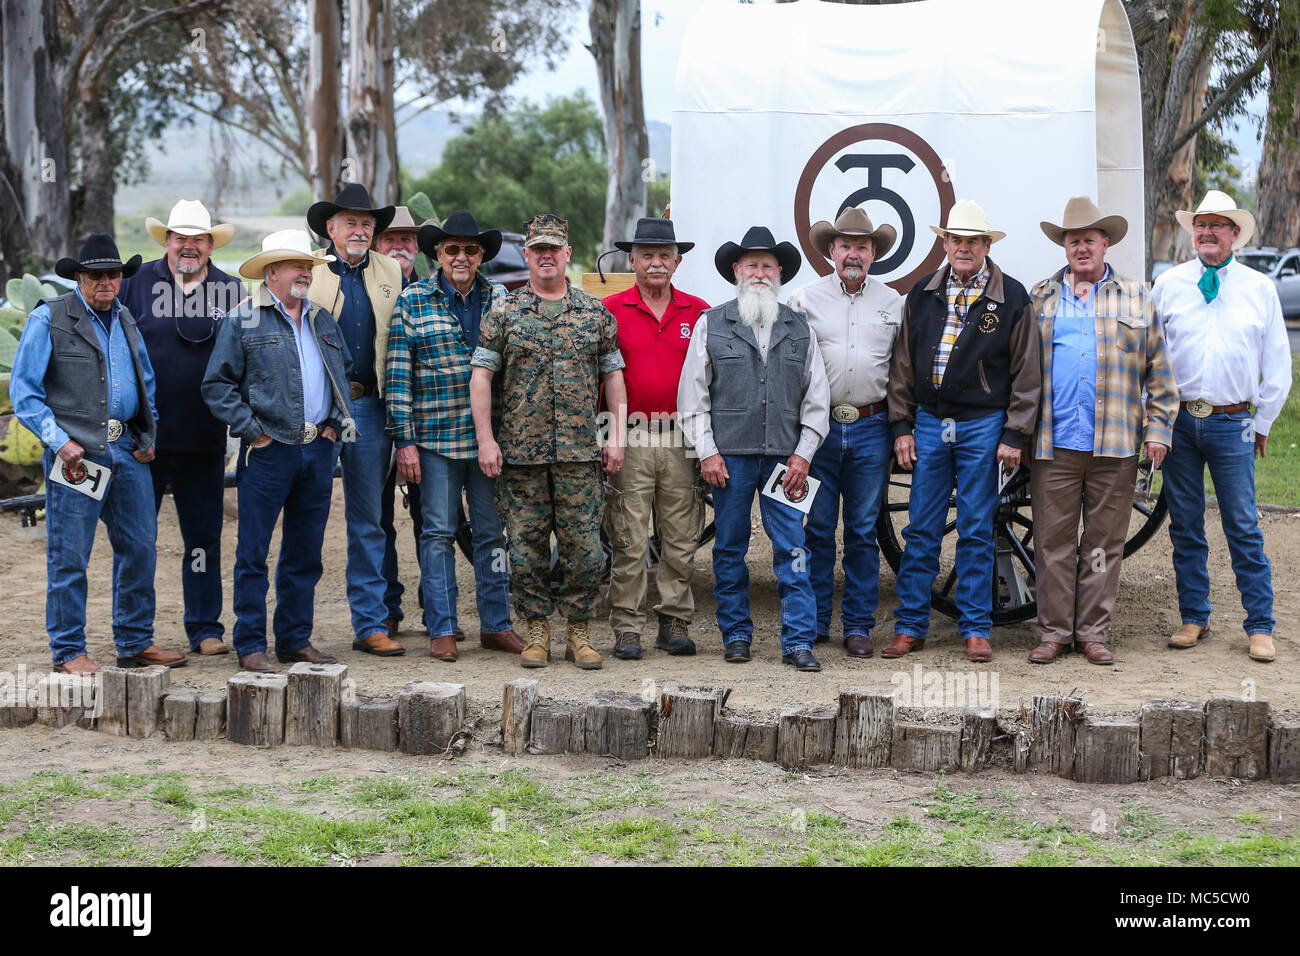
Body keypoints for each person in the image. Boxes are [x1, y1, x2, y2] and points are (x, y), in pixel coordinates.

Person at [9, 234, 185, 674]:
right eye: (96, 275)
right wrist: (59, 441)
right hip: (76, 454)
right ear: (80, 278)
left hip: (126, 448)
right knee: (70, 554)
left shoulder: (125, 318)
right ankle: (69, 650)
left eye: (113, 274)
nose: (106, 281)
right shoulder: (49, 318)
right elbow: (25, 393)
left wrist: (148, 435)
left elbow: (145, 380)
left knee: (141, 547)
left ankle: (134, 641)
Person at [469, 214, 627, 670]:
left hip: (580, 455)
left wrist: (616, 437)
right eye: (538, 248)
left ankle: (579, 631)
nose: (545, 255)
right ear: (526, 254)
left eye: (553, 248)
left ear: (567, 254)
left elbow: (613, 377)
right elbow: (482, 378)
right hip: (520, 455)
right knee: (524, 548)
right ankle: (537, 629)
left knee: (585, 550)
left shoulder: (593, 312)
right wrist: (486, 440)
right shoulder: (504, 312)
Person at [885, 200, 1040, 663]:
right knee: (921, 527)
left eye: (973, 240)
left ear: (987, 245)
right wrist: (902, 424)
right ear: (945, 243)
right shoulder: (922, 295)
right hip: (930, 423)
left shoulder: (1012, 298)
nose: (964, 248)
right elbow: (903, 366)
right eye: (956, 240)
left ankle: (976, 627)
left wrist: (1014, 434)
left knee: (975, 527)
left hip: (983, 425)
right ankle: (911, 625)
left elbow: (1026, 372)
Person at [1027, 197, 1178, 665]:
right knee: (1051, 543)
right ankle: (1053, 633)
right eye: (1074, 241)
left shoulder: (1136, 296)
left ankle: (1092, 632)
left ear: (1105, 243)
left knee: (1102, 545)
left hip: (1114, 443)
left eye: (1089, 240)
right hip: (1054, 444)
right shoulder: (1041, 298)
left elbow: (1160, 372)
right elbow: (1022, 370)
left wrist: (1158, 430)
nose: (1081, 248)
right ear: (1065, 246)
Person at [677, 226, 830, 671]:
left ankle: (799, 640)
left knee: (793, 548)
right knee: (729, 548)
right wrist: (707, 451)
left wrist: (803, 454)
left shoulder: (799, 327)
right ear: (736, 271)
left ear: (779, 271)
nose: (759, 272)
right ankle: (737, 635)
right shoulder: (712, 322)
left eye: (767, 265)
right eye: (751, 265)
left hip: (787, 459)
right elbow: (693, 396)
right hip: (730, 459)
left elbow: (816, 397)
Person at [201, 230, 354, 672]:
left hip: (317, 450)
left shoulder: (322, 318)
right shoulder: (244, 319)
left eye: (308, 265)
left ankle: (293, 639)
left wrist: (332, 426)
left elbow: (340, 374)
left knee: (305, 553)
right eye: (296, 265)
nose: (306, 271)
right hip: (269, 451)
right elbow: (217, 385)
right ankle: (250, 644)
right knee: (253, 552)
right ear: (272, 272)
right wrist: (254, 432)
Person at [1153, 190, 1292, 663]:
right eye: (1200, 224)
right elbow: (1152, 358)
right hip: (1178, 423)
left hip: (1233, 422)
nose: (1207, 232)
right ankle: (1194, 616)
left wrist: (1264, 421)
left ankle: (1260, 625)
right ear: (1193, 233)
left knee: (1242, 524)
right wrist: (1153, 420)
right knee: (1186, 525)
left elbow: (1277, 363)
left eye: (1217, 224)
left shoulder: (1258, 288)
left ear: (1234, 233)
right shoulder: (1169, 284)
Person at [386, 211, 525, 661]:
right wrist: (403, 440)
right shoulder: (413, 301)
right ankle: (442, 627)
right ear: (437, 255)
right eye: (451, 250)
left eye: (469, 249)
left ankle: (496, 623)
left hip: (490, 440)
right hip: (434, 438)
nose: (461, 257)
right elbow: (399, 376)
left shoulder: (501, 298)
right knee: (438, 533)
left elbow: (515, 371)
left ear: (481, 255)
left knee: (491, 534)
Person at [118, 199, 244, 657]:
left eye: (198, 239)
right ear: (166, 242)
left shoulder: (232, 292)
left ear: (210, 245)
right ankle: (135, 634)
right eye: (180, 238)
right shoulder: (133, 284)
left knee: (203, 538)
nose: (188, 246)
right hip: (141, 439)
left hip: (203, 437)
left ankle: (204, 628)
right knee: (137, 540)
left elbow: (242, 361)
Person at [788, 207, 903, 658]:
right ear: (830, 251)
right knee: (816, 529)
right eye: (845, 246)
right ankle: (816, 621)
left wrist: (899, 428)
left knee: (861, 532)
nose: (852, 254)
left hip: (872, 427)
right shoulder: (804, 300)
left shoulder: (894, 303)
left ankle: (857, 625)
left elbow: (902, 371)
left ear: (874, 253)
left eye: (862, 246)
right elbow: (792, 369)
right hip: (819, 429)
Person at [306, 184, 408, 655]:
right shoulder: (309, 271)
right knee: (307, 515)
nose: (360, 230)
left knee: (369, 517)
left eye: (367, 224)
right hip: (319, 406)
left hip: (370, 404)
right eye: (351, 222)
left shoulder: (392, 271)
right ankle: (295, 630)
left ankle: (370, 623)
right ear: (331, 228)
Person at [602, 217, 710, 660]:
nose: (656, 263)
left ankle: (674, 621)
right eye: (647, 255)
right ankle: (627, 626)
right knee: (628, 537)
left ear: (678, 261)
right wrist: (608, 437)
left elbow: (709, 380)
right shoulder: (610, 309)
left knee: (681, 536)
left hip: (682, 434)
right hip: (630, 433)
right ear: (632, 260)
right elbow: (602, 377)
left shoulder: (698, 310)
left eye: (664, 255)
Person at [371, 206, 424, 633]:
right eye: (390, 239)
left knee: (431, 518)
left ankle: (436, 608)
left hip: (424, 418)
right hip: (371, 410)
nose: (399, 246)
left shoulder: (430, 293)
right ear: (376, 245)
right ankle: (386, 607)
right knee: (377, 517)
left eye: (407, 239)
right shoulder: (364, 289)